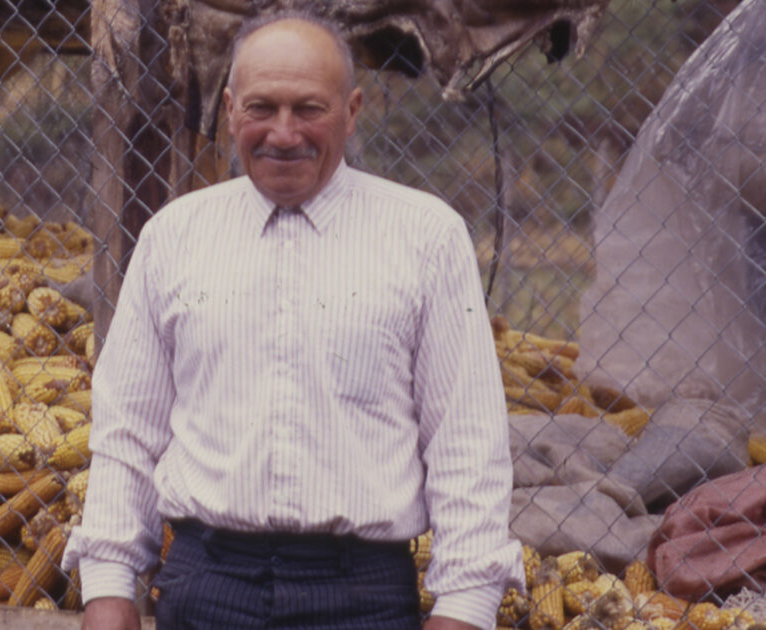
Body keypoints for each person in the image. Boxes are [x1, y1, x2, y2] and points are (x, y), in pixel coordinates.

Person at [63, 10, 523, 630]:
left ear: (352, 109)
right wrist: (111, 588)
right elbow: (128, 434)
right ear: (230, 111)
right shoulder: (174, 237)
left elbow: (466, 444)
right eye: (262, 108)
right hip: (204, 587)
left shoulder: (425, 238)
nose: (283, 133)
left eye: (309, 109)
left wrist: (466, 607)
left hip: (361, 596)